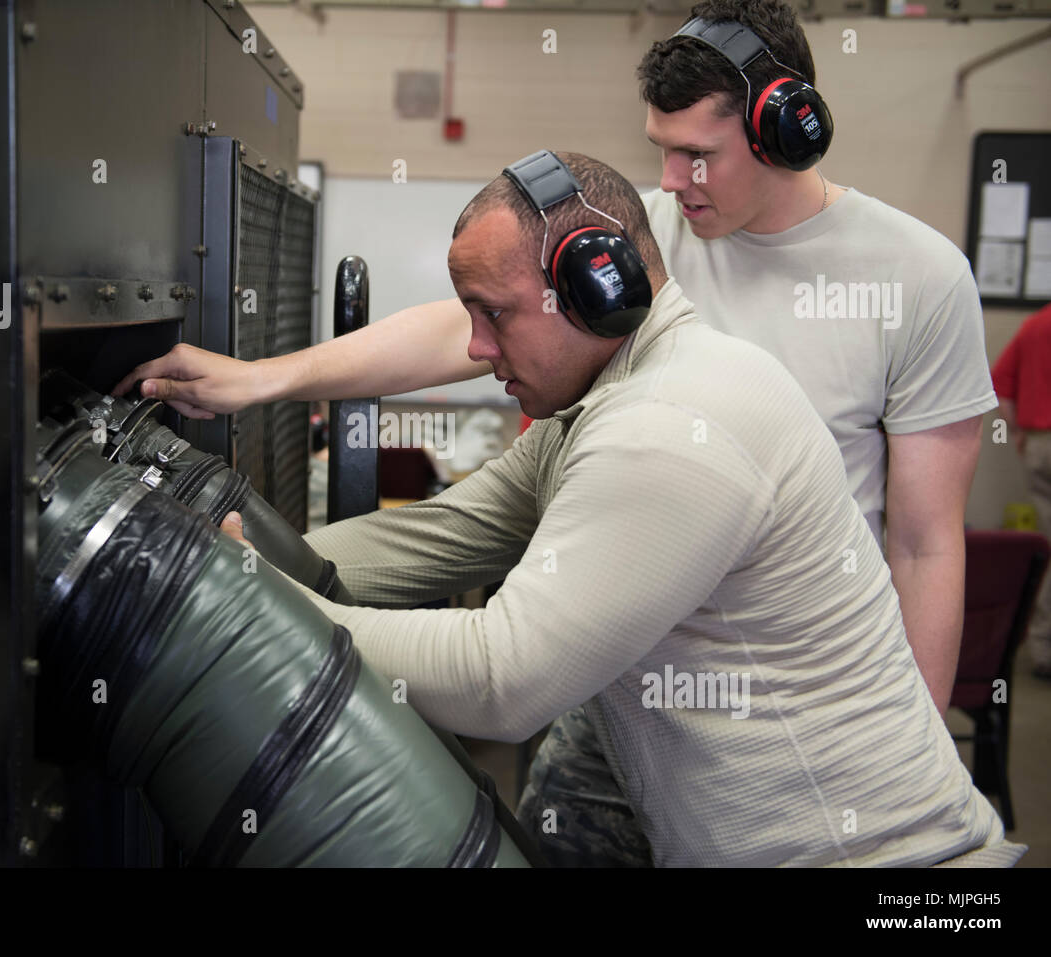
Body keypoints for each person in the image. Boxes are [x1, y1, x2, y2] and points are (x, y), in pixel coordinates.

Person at [116, 0, 991, 724]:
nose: (675, 178)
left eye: (699, 155)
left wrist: (910, 734)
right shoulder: (646, 237)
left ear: (787, 129)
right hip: (610, 680)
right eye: (661, 148)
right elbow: (473, 324)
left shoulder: (916, 277)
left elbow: (922, 544)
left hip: (771, 705)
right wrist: (265, 376)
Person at [214, 150, 1019, 867]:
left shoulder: (666, 425)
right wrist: (249, 547)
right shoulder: (608, 402)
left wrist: (258, 600)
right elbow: (448, 533)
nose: (474, 348)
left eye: (494, 312)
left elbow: (502, 678)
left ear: (596, 288)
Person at [992, 302, 1051, 679]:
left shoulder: (1035, 325)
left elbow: (999, 385)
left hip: (1040, 446)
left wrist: (1016, 434)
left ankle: (1043, 648)